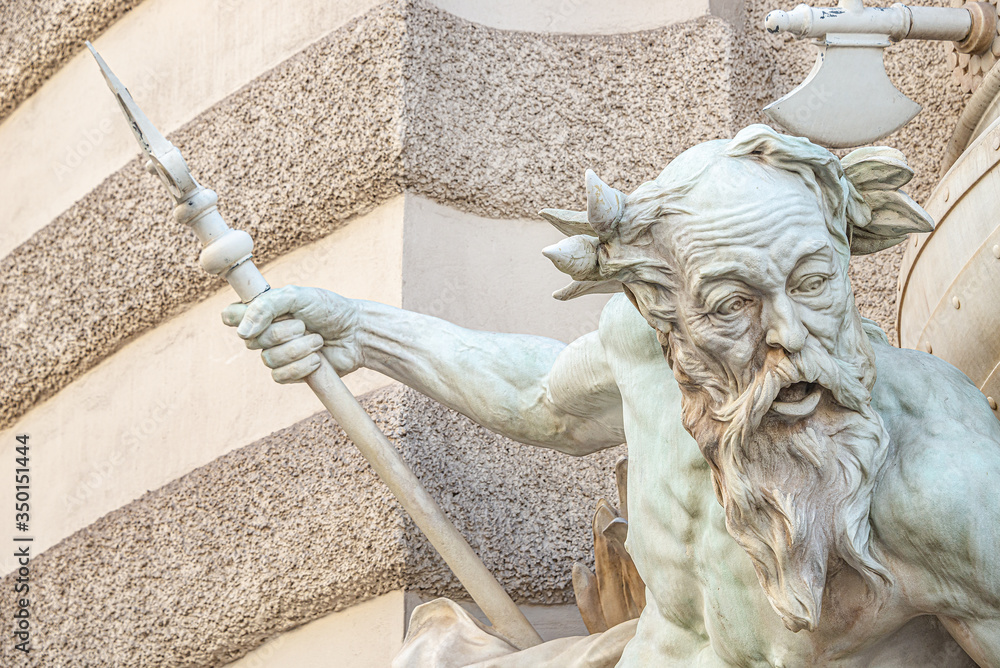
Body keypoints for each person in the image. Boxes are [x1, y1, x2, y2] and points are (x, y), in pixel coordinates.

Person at [223, 125, 1000, 667]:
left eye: (814, 283)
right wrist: (361, 333)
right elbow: (540, 397)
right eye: (733, 306)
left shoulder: (942, 483)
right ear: (664, 316)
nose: (789, 336)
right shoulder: (641, 351)